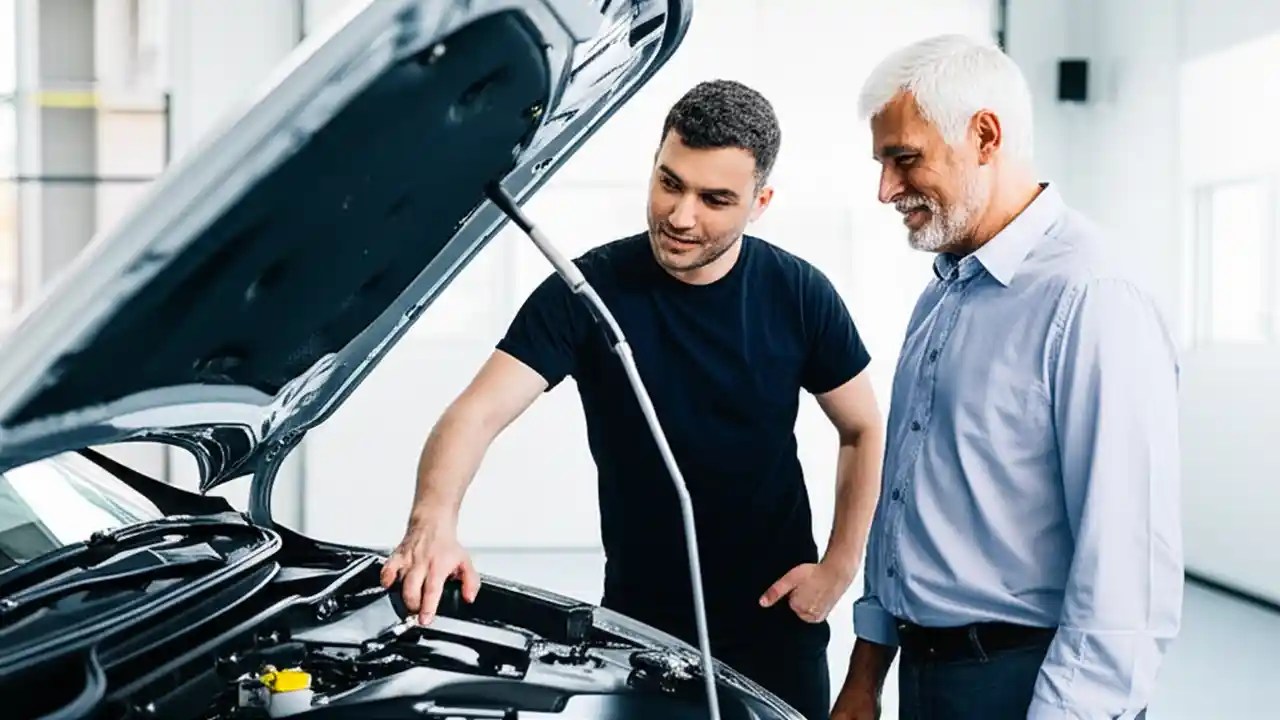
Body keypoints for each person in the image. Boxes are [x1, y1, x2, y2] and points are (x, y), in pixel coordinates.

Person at [379, 79, 885, 719]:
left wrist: (839, 568)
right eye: (670, 183)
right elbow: (475, 413)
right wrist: (432, 523)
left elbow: (863, 428)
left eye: (715, 199)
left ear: (761, 203)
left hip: (777, 628)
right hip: (638, 632)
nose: (680, 216)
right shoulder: (586, 292)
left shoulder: (800, 294)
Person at [829, 35, 1182, 720]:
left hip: (1029, 683)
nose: (885, 190)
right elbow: (906, 498)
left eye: (904, 160)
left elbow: (1125, 575)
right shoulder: (944, 292)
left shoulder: (1092, 296)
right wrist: (867, 672)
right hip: (929, 674)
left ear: (984, 135)